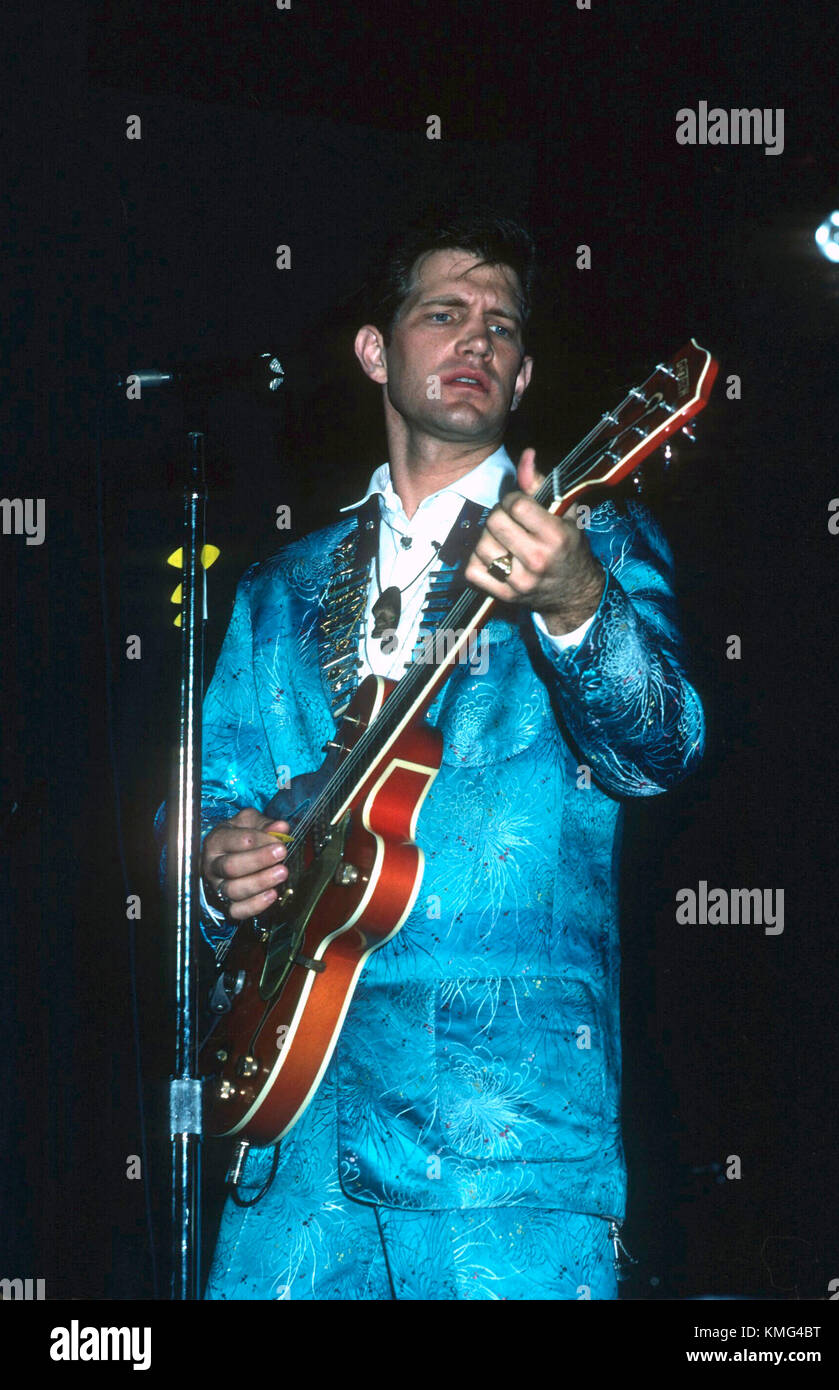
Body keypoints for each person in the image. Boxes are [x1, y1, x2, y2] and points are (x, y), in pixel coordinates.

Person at [188, 210, 704, 1300]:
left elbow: (659, 747)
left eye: (501, 328)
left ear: (521, 379)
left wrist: (573, 603)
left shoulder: (595, 538)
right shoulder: (276, 589)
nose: (476, 339)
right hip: (293, 1134)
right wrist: (208, 857)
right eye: (443, 313)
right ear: (377, 350)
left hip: (503, 1144)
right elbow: (210, 795)